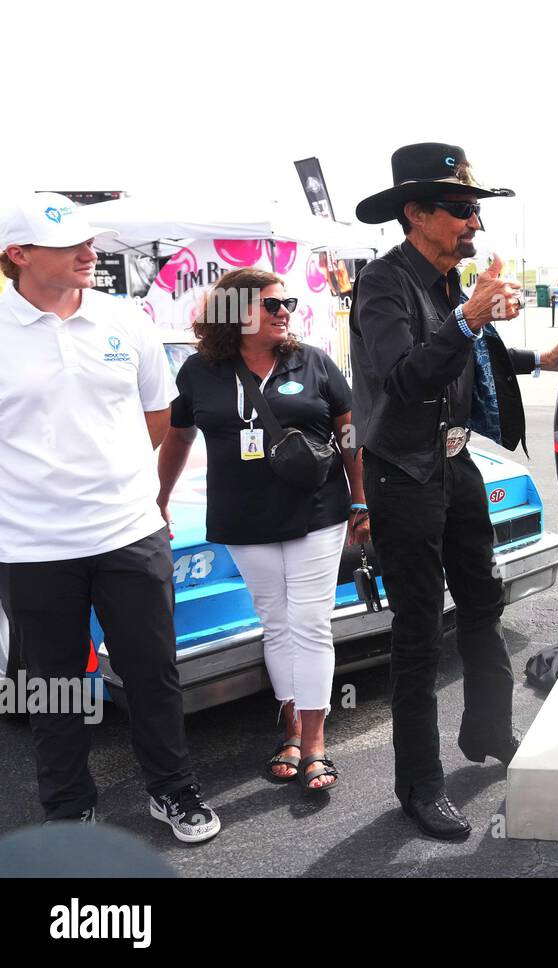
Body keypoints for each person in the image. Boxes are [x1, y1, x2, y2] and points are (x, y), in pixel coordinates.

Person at [350, 142, 558, 839]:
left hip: (453, 466)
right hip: (403, 474)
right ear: (415, 213)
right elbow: (411, 376)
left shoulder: (451, 281)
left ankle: (486, 731)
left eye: (475, 208)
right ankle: (418, 785)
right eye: (459, 208)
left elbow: (467, 357)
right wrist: (471, 317)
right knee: (418, 633)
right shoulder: (383, 285)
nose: (473, 221)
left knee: (483, 601)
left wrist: (534, 359)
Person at [0, 193, 219, 841]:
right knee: (55, 687)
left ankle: (172, 791)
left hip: (130, 533)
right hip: (34, 546)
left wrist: (114, 483)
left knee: (153, 673)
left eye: (90, 242)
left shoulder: (127, 320)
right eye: (71, 245)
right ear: (19, 255)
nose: (89, 254)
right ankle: (69, 810)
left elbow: (156, 415)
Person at [157, 268, 367, 795]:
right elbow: (178, 437)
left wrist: (362, 498)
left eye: (287, 303)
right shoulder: (200, 372)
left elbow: (348, 429)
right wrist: (157, 499)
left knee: (310, 622)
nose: (282, 311)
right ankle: (291, 729)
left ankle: (315, 742)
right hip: (242, 519)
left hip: (316, 511)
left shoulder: (312, 361)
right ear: (232, 312)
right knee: (276, 622)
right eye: (270, 304)